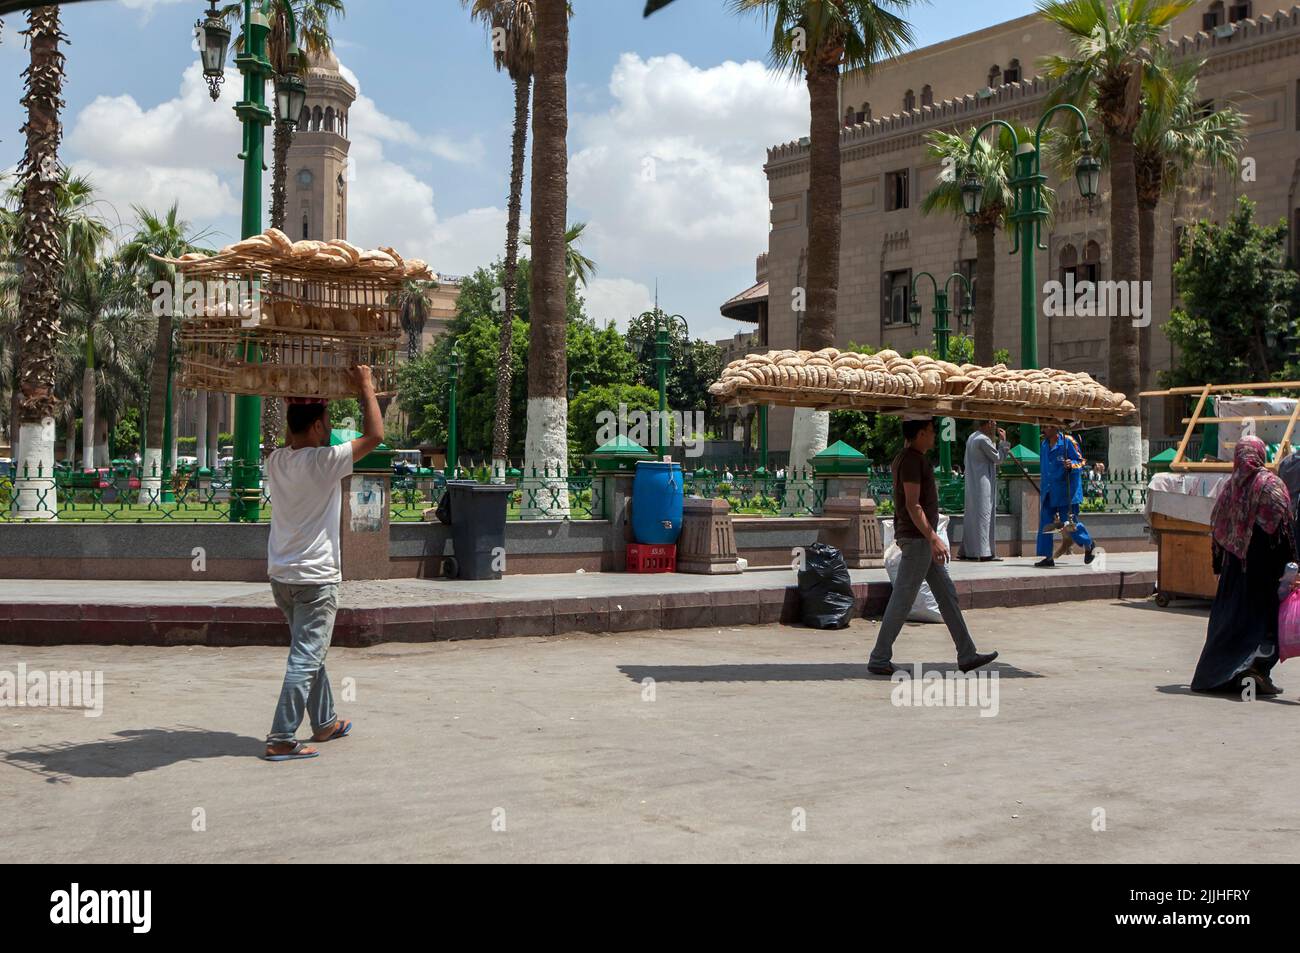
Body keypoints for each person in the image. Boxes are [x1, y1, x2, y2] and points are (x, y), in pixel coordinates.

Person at [263, 365, 383, 761]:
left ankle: (325, 722)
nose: (331, 429)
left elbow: (292, 438)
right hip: (315, 579)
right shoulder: (326, 462)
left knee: (308, 649)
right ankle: (282, 735)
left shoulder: (276, 461)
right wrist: (366, 386)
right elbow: (376, 436)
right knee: (306, 655)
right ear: (315, 426)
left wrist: (295, 401)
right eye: (327, 422)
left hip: (282, 577)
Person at [867, 417, 999, 676]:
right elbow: (913, 505)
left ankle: (967, 653)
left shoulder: (906, 458)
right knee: (902, 599)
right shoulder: (912, 460)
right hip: (918, 542)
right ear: (918, 434)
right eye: (929, 432)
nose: (933, 436)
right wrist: (933, 537)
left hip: (920, 540)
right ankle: (879, 657)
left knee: (946, 596)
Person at [1192, 436, 1295, 695]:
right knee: (1262, 624)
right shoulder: (1271, 485)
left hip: (1234, 572)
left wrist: (1220, 565)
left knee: (1229, 622)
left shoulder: (1229, 488)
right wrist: (1291, 563)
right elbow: (1283, 529)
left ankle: (1220, 676)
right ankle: (1254, 674)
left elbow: (1218, 529)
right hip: (1264, 572)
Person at [1035, 424, 1094, 568]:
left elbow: (1081, 462)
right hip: (1049, 491)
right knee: (1045, 524)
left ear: (1055, 428)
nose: (1043, 430)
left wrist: (1071, 465)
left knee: (1069, 523)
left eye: (1046, 427)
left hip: (1066, 491)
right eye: (1043, 427)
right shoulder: (1043, 445)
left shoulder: (1068, 441)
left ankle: (1088, 544)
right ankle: (1048, 557)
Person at [960, 419, 1009, 561]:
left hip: (973, 480)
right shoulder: (983, 440)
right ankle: (984, 551)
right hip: (983, 481)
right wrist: (1003, 442)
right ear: (987, 423)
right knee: (984, 515)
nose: (995, 425)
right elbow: (998, 458)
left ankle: (970, 550)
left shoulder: (972, 437)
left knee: (972, 515)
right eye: (993, 422)